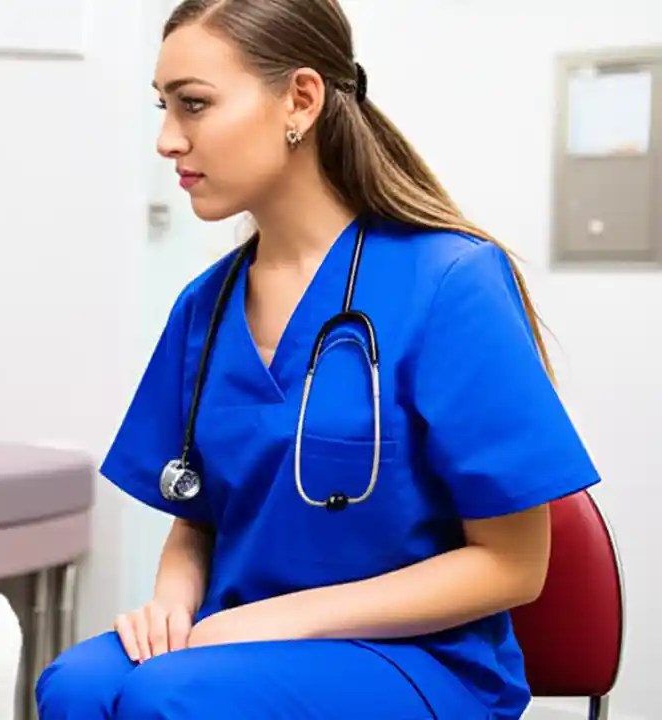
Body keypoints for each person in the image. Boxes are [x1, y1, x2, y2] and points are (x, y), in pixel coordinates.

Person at [36, 1, 600, 719]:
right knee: (77, 688)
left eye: (194, 106)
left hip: (416, 659)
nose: (167, 140)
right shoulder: (205, 308)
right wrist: (172, 606)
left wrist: (276, 620)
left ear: (300, 99)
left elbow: (515, 565)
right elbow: (198, 520)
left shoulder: (450, 281)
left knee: (167, 700)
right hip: (235, 642)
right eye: (163, 107)